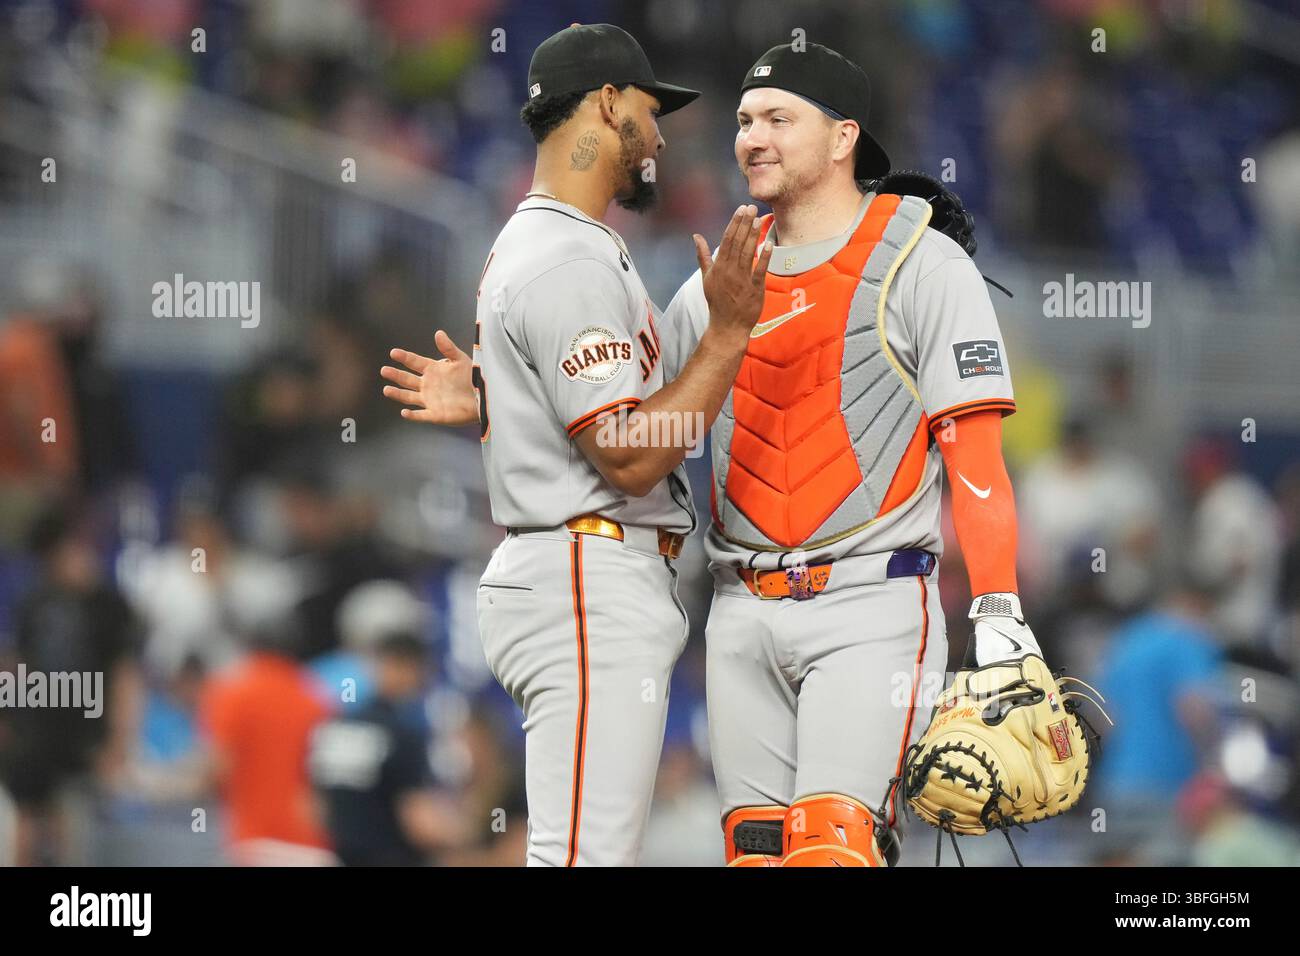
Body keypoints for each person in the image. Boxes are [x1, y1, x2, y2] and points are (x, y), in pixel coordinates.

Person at [379, 23, 771, 866]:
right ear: (604, 102)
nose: (660, 133)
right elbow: (629, 452)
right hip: (587, 576)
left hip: (582, 571)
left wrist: (497, 395)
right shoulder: (566, 257)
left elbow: (584, 401)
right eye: (648, 107)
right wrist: (730, 333)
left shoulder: (563, 244)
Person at [656, 42, 1044, 866]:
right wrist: (494, 393)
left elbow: (975, 452)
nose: (751, 137)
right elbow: (641, 419)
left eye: (777, 119)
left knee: (831, 850)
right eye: (743, 121)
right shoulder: (717, 278)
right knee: (754, 856)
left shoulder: (920, 261)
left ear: (842, 138)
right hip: (739, 611)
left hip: (870, 604)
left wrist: (999, 609)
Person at [309, 632, 466, 865]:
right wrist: (470, 836)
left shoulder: (336, 726)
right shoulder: (402, 733)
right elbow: (419, 823)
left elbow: (315, 809)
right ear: (412, 669)